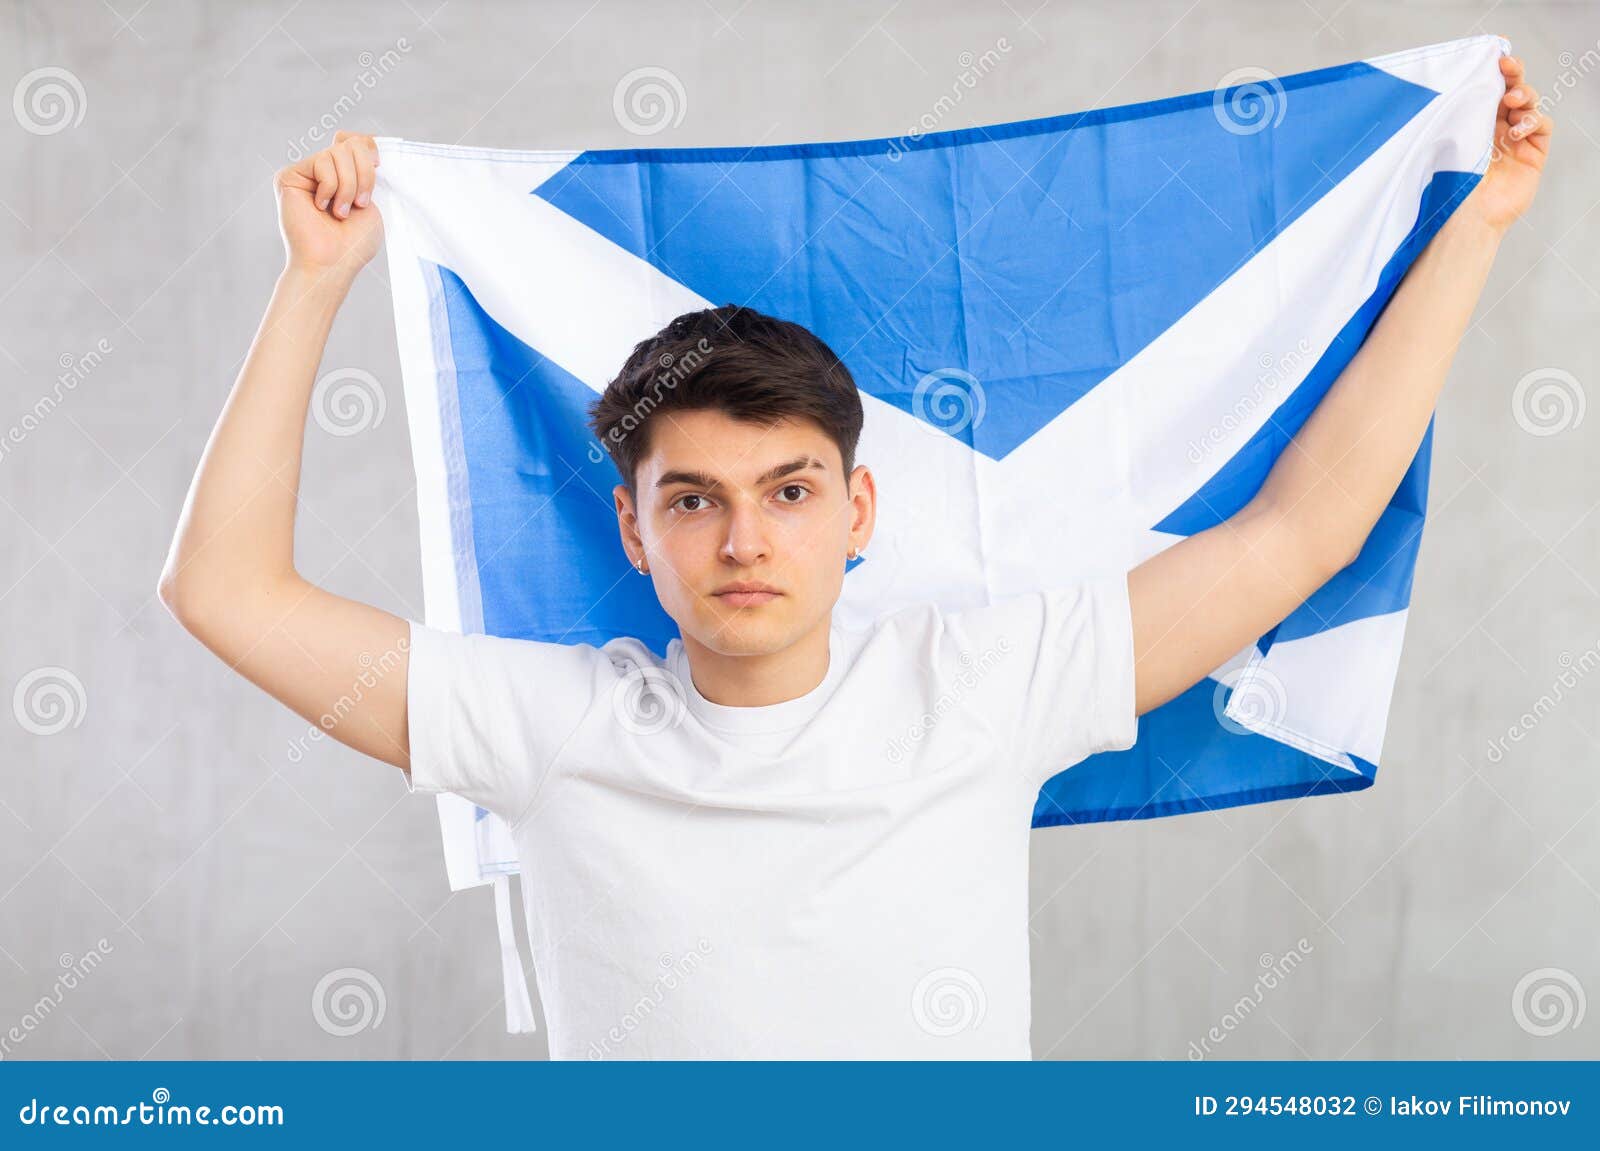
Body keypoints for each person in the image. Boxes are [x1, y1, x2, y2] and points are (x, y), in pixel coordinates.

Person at [158, 55, 1552, 1059]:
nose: (746, 539)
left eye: (789, 491)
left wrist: (1477, 220)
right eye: (693, 501)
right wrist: (314, 282)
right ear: (633, 529)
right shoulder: (550, 724)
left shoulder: (985, 685)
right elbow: (223, 591)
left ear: (858, 511)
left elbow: (1304, 531)